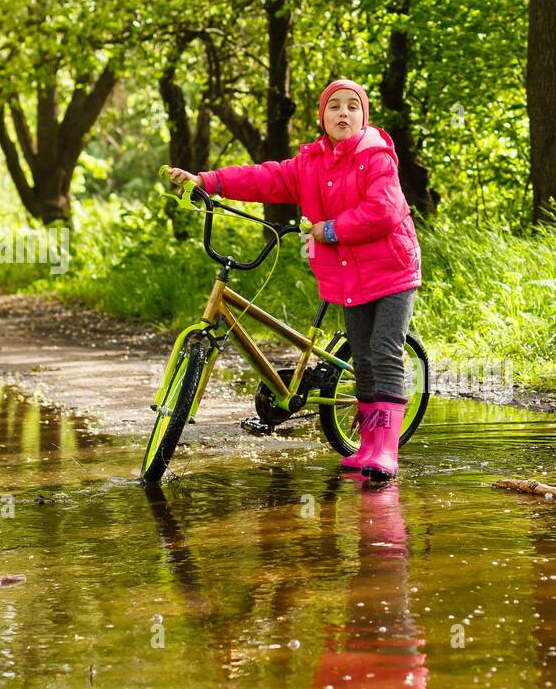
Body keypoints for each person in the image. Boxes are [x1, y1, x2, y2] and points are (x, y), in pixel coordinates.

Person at [167, 78, 422, 481]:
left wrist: (332, 230)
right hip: (350, 275)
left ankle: (386, 450)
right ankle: (368, 448)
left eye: (352, 107)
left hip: (392, 268)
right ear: (322, 117)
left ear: (363, 117)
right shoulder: (311, 164)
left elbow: (385, 211)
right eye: (334, 106)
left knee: (383, 351)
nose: (343, 113)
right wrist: (208, 180)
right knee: (362, 357)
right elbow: (263, 178)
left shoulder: (376, 158)